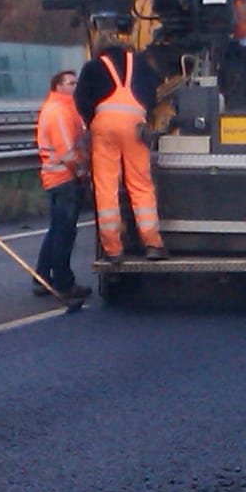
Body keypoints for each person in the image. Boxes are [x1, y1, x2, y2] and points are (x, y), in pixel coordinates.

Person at [75, 36, 167, 263]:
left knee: (106, 187)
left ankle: (113, 249)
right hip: (135, 125)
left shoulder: (93, 67)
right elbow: (154, 91)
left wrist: (92, 120)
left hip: (104, 127)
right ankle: (153, 243)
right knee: (140, 185)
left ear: (99, 50)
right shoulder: (140, 63)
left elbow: (81, 98)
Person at [34, 70, 91, 301]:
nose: (75, 86)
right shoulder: (60, 112)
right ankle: (63, 283)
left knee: (57, 230)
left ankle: (42, 278)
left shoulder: (63, 109)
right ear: (57, 86)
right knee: (64, 234)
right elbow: (66, 150)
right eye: (70, 83)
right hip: (64, 178)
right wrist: (81, 170)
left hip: (58, 178)